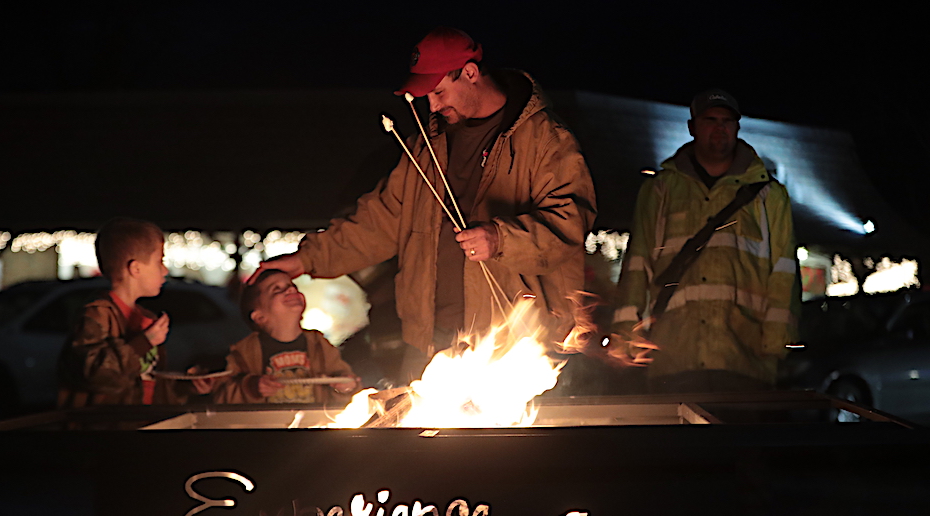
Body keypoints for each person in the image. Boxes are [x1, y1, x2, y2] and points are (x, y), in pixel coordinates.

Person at [257, 27, 596, 379]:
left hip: (515, 342)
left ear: (469, 73)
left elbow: (569, 223)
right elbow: (380, 220)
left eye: (438, 91)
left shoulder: (546, 139)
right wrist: (307, 259)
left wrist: (500, 239)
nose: (432, 106)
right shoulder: (427, 147)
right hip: (429, 341)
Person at [611, 89, 799, 393]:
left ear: (738, 127)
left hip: (743, 360)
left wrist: (776, 342)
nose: (719, 127)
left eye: (727, 120)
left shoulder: (769, 195)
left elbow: (784, 272)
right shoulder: (660, 190)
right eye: (710, 120)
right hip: (673, 358)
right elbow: (638, 264)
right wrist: (625, 336)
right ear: (692, 127)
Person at [58, 217, 189, 406]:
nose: (165, 270)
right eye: (159, 261)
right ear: (135, 268)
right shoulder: (98, 315)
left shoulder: (146, 319)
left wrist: (188, 388)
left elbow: (149, 383)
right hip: (110, 430)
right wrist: (144, 342)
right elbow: (94, 374)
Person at [213, 269, 359, 404]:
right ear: (259, 317)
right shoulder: (243, 352)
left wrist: (345, 387)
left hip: (313, 426)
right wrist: (251, 387)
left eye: (292, 286)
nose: (290, 289)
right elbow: (222, 398)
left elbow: (347, 387)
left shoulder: (319, 344)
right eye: (276, 289)